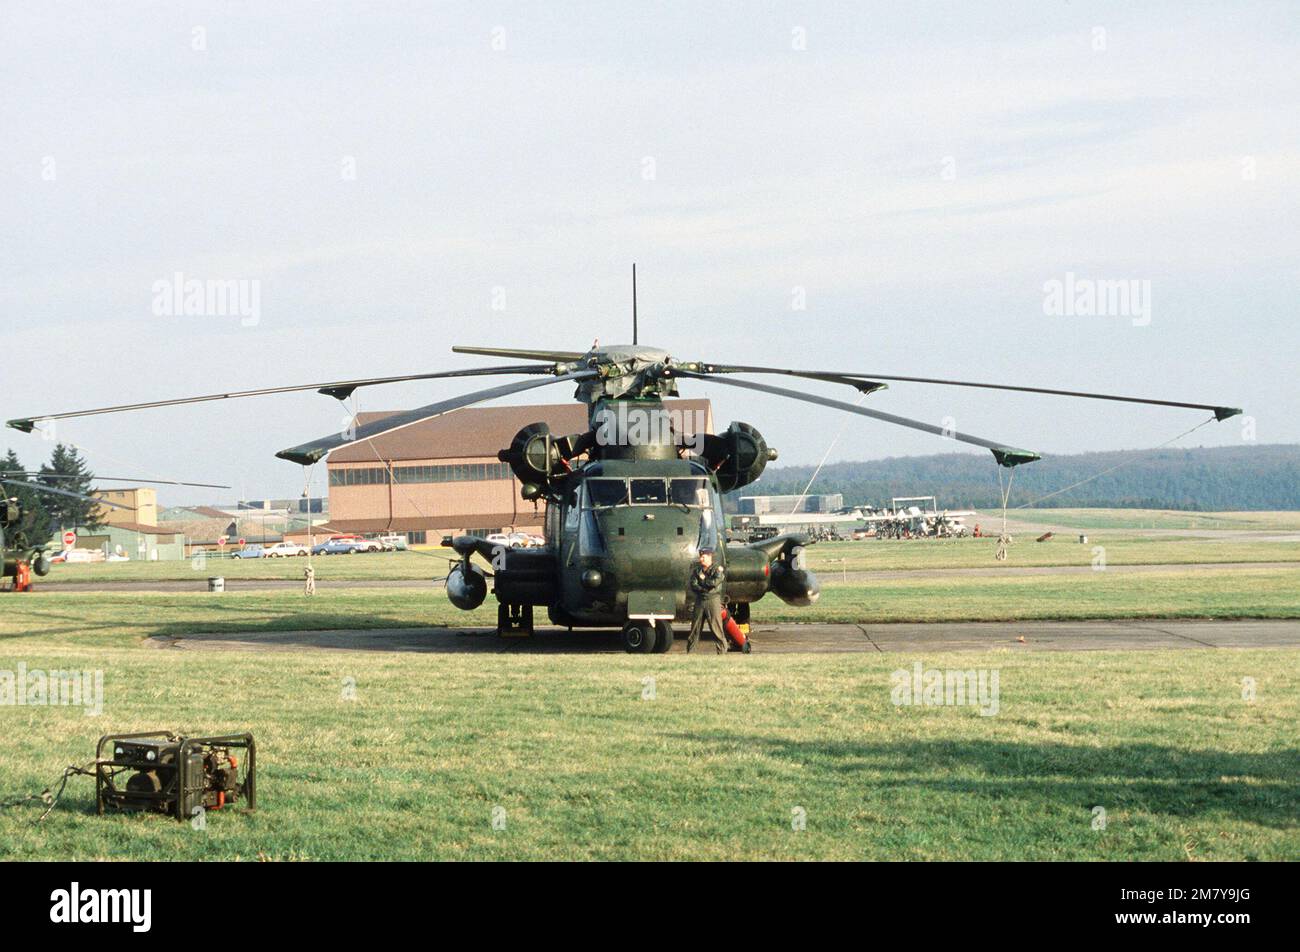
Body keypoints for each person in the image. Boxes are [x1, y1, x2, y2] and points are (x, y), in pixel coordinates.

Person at [687, 548, 727, 653]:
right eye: (700, 557)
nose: (701, 559)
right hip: (700, 600)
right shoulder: (697, 570)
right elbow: (693, 584)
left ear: (710, 557)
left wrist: (703, 582)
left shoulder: (717, 569)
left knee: (716, 627)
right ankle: (691, 652)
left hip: (712, 600)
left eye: (703, 557)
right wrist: (704, 587)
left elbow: (714, 582)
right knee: (695, 627)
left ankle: (722, 651)